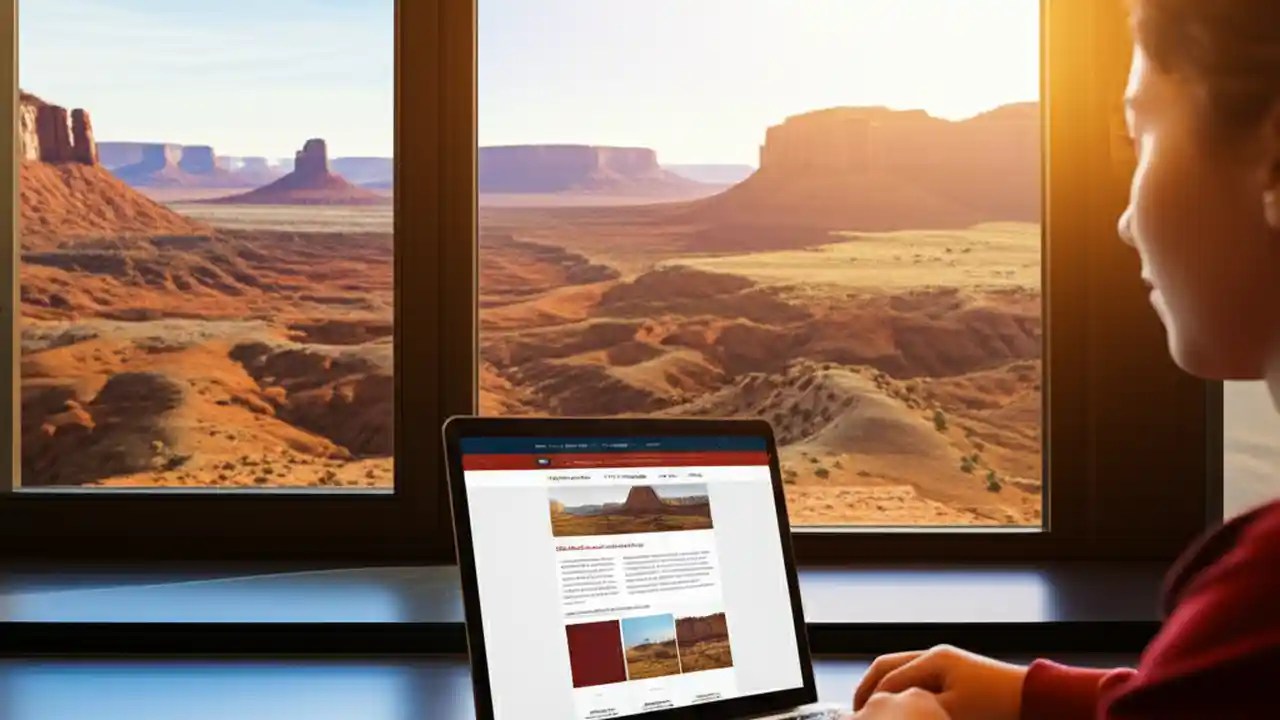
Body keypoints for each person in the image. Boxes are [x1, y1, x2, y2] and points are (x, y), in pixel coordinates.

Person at [852, 1, 1280, 718]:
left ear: (1274, 158)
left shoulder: (1264, 595)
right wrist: (1032, 693)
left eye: (1139, 134)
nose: (1121, 221)